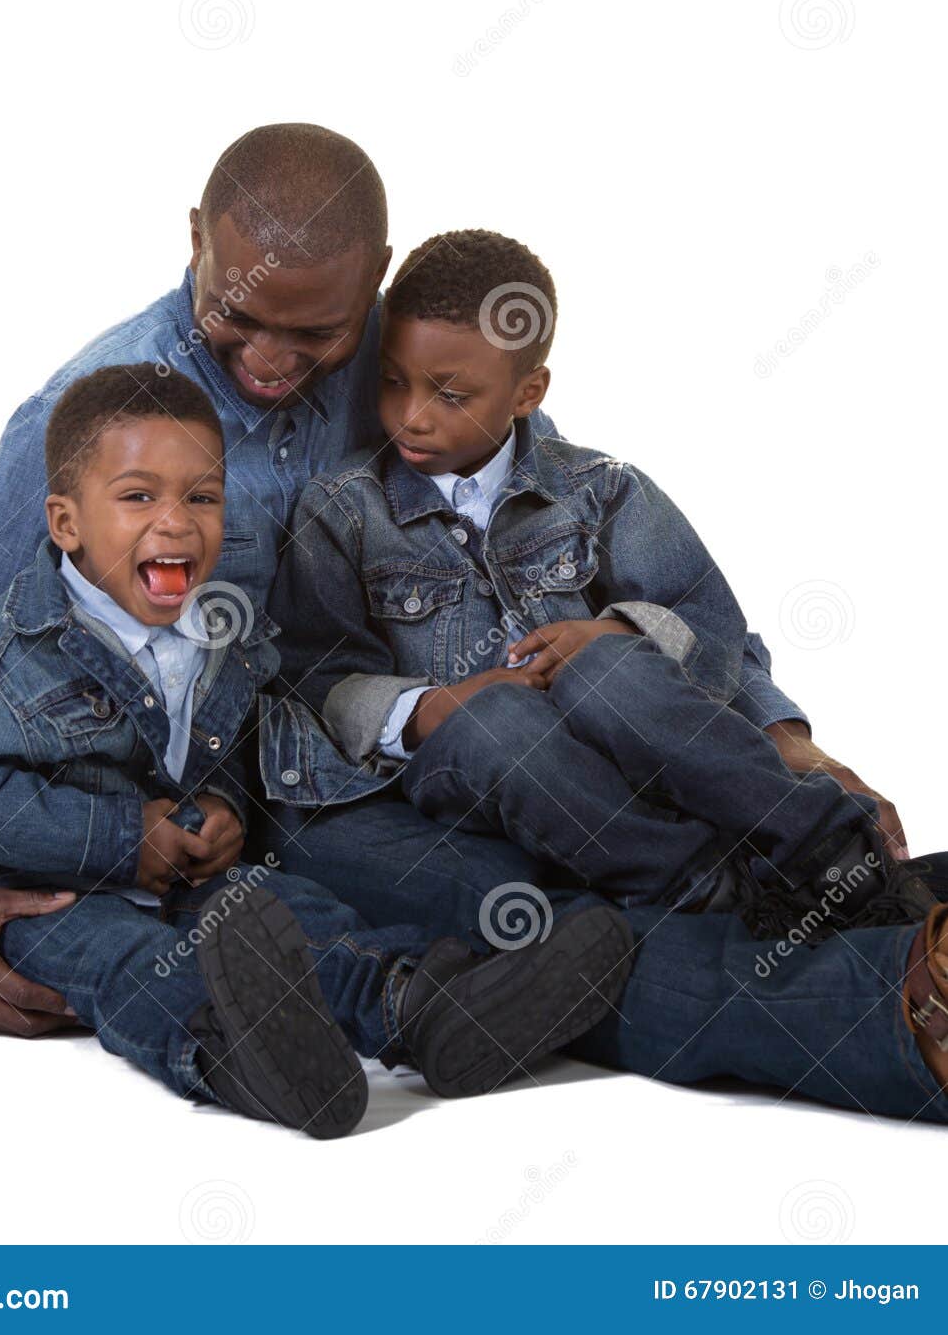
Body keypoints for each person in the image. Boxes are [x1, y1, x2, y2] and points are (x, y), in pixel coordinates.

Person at [0, 120, 934, 1123]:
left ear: (371, 279)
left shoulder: (408, 357)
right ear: (196, 240)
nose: (272, 360)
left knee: (664, 835)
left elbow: (559, 515)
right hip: (286, 794)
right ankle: (897, 1007)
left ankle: (876, 902)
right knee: (535, 924)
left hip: (481, 737)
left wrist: (777, 736)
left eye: (314, 332)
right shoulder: (99, 416)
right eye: (238, 317)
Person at [0, 364, 634, 1136]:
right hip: (47, 899)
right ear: (66, 523)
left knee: (288, 915)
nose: (176, 522)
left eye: (203, 497)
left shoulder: (221, 631)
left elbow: (227, 746)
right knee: (126, 964)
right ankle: (230, 1055)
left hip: (189, 873)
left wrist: (222, 807)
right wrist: (125, 838)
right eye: (137, 496)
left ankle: (423, 1009)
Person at [267, 230, 914, 935]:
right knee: (500, 721)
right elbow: (316, 676)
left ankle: (829, 854)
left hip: (621, 752)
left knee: (607, 667)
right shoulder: (341, 510)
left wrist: (615, 632)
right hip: (478, 763)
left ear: (527, 392)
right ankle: (706, 896)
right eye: (391, 381)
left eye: (450, 395)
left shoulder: (597, 489)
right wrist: (432, 705)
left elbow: (711, 620)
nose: (412, 414)